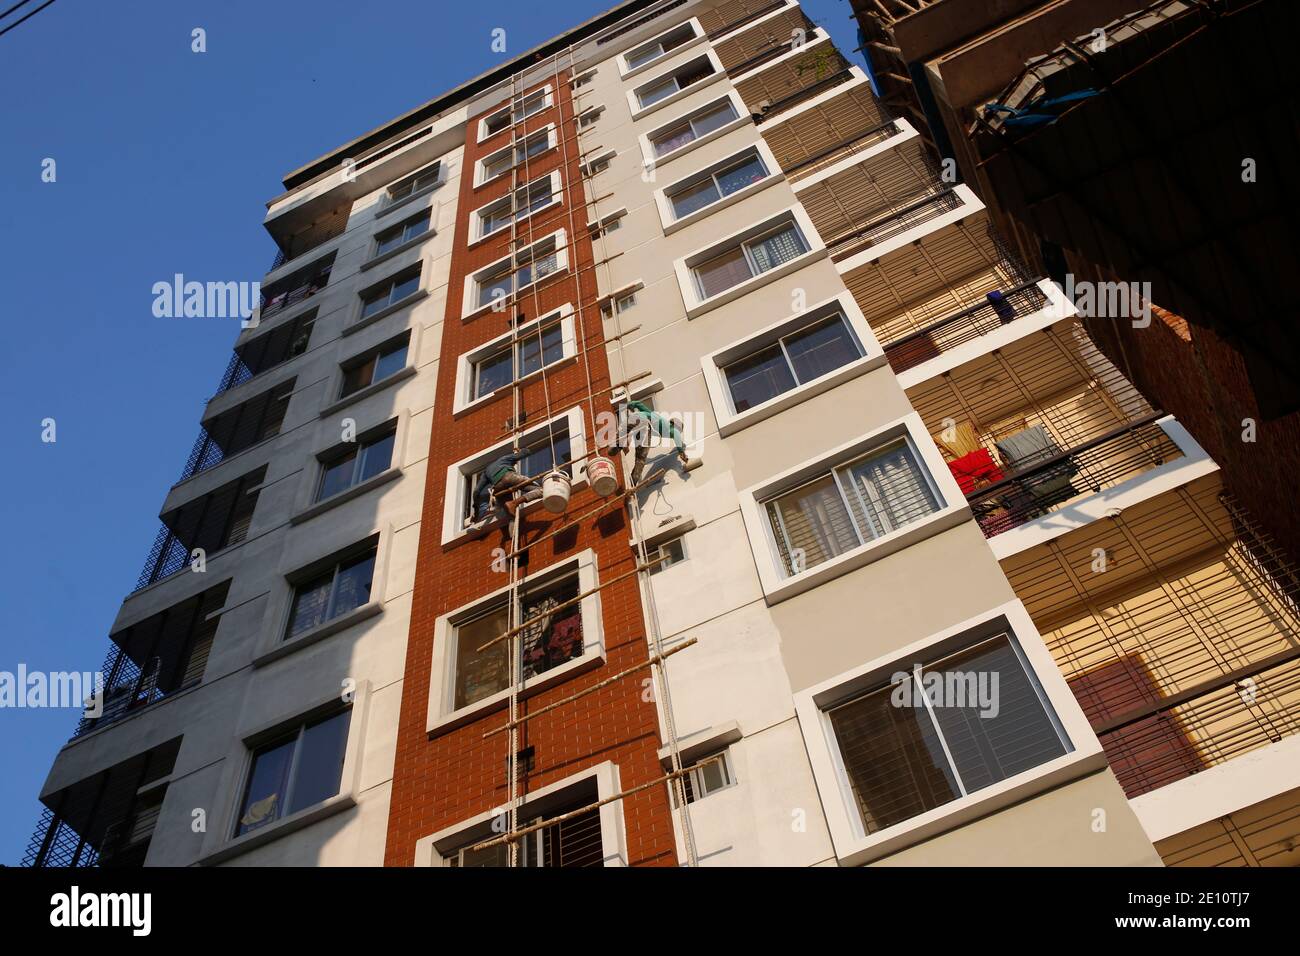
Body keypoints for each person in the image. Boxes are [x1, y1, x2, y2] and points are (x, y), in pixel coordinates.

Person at [620, 399, 697, 485]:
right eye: (679, 430)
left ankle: (619, 445)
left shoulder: (656, 418)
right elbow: (677, 437)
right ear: (674, 425)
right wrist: (682, 453)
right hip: (643, 423)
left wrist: (632, 404)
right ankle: (633, 482)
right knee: (640, 460)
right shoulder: (671, 429)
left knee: (628, 438)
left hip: (635, 421)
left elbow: (640, 405)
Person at [464, 449, 542, 531]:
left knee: (510, 515)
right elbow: (526, 452)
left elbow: (476, 491)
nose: (515, 464)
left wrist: (476, 512)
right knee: (541, 491)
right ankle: (515, 502)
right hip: (509, 477)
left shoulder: (486, 472)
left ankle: (512, 532)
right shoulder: (504, 459)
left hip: (498, 488)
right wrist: (520, 452)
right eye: (515, 463)